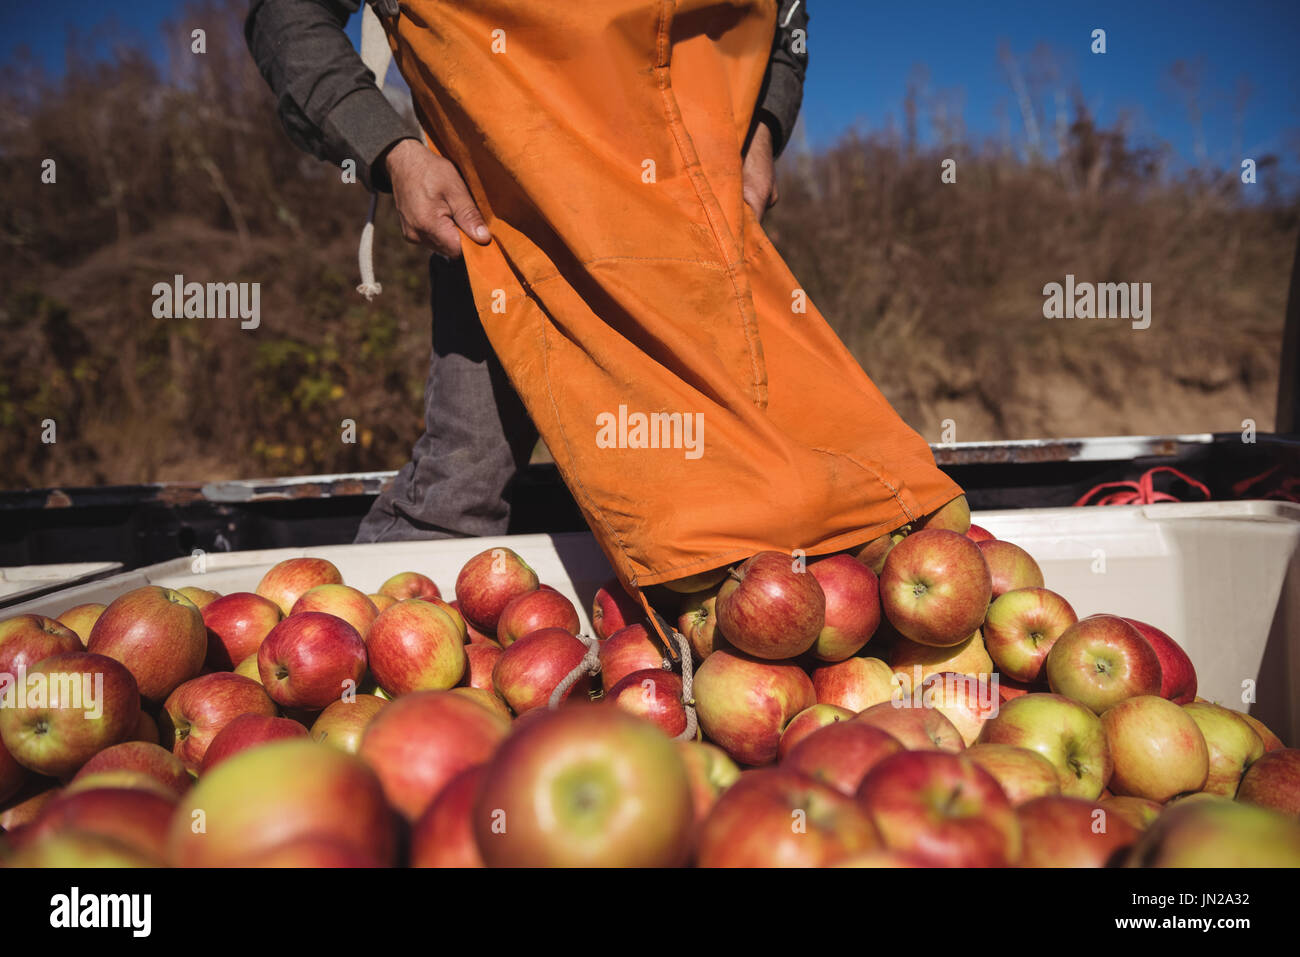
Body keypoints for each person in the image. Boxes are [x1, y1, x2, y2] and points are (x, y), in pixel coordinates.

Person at [246, 0, 811, 542]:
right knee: (461, 489)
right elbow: (286, 11)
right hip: (500, 224)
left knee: (714, 495)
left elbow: (784, 16)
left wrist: (764, 129)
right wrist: (391, 149)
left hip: (687, 229)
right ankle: (381, 629)